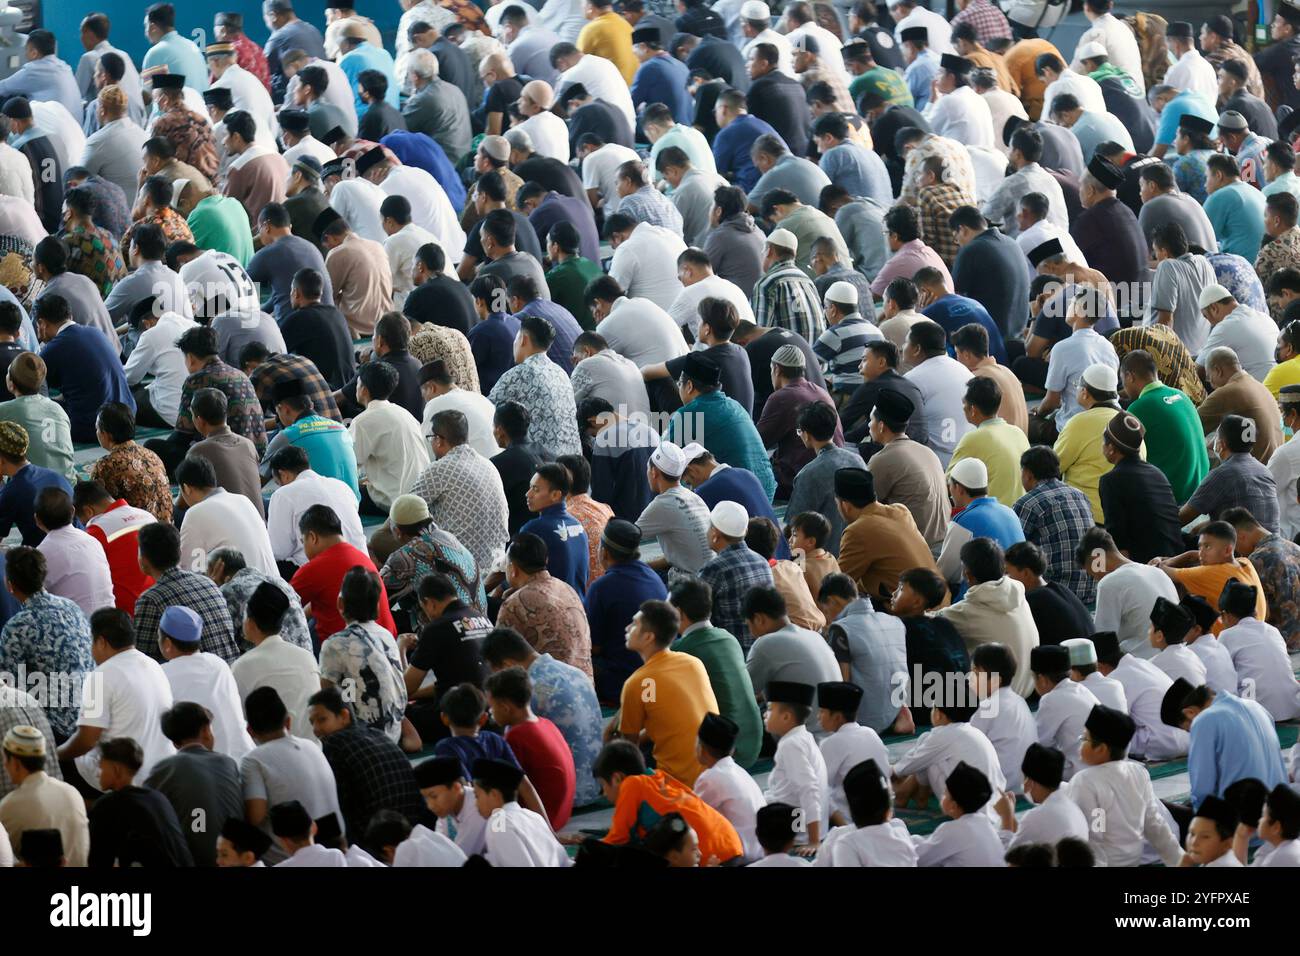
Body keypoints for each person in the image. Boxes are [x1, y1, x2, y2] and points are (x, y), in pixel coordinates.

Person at [175, 456, 277, 577]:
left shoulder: (195, 513)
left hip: (247, 592)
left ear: (186, 488)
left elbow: (189, 571)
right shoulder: (242, 499)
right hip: (276, 586)